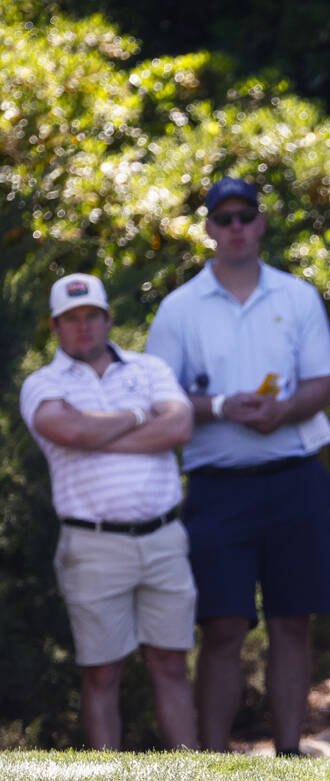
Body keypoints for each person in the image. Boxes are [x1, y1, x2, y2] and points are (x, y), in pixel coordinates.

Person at [146, 177, 330, 756]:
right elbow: (159, 399)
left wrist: (283, 411)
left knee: (293, 620)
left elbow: (323, 382)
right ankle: (212, 760)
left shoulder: (297, 296)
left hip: (294, 477)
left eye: (244, 216)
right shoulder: (179, 308)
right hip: (217, 486)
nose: (234, 226)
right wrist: (223, 407)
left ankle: (286, 754)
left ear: (259, 224)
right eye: (223, 217)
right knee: (223, 626)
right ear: (208, 227)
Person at [20, 273, 197, 750]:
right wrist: (141, 416)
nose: (84, 327)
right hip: (93, 544)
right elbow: (68, 431)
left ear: (107, 319)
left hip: (163, 537)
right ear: (55, 326)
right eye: (72, 319)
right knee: (103, 671)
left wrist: (99, 433)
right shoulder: (43, 383)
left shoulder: (150, 369)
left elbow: (179, 426)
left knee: (171, 664)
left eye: (92, 316)